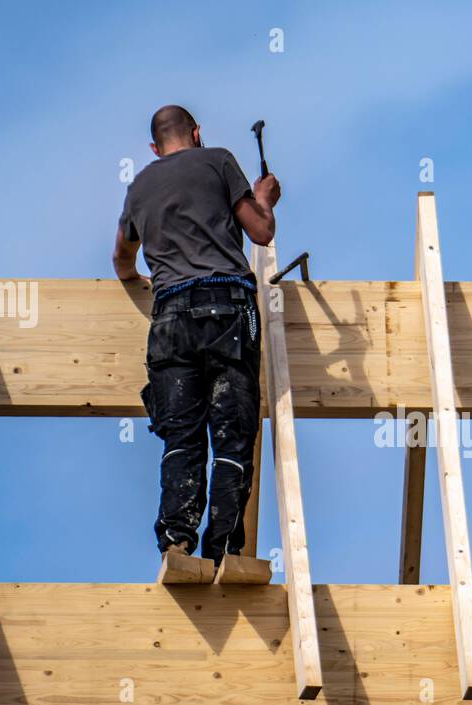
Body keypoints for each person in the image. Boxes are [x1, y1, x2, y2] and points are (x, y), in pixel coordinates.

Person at [112, 105, 281, 561]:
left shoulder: (139, 186)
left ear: (154, 147)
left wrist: (136, 279)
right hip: (228, 309)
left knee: (182, 436)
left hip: (170, 317)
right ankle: (224, 548)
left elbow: (122, 260)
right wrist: (264, 196)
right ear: (197, 133)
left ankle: (177, 541)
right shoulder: (219, 160)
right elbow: (261, 232)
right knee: (232, 431)